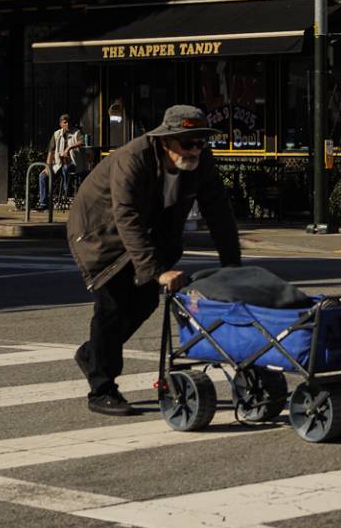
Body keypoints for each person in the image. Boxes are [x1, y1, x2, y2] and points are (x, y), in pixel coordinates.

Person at [67, 104, 241, 416]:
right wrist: (155, 271)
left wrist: (232, 265)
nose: (195, 150)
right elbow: (126, 216)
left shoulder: (200, 163)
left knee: (145, 301)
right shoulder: (132, 159)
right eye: (187, 143)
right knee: (113, 305)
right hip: (99, 232)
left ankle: (93, 354)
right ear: (165, 141)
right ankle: (102, 388)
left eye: (201, 142)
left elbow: (218, 210)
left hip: (150, 234)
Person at [37, 114, 78, 209]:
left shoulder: (76, 132)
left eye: (69, 122)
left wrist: (69, 148)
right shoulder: (56, 134)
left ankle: (66, 192)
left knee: (66, 168)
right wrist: (47, 167)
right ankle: (44, 203)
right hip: (58, 165)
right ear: (61, 124)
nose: (67, 124)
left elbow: (82, 141)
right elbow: (50, 152)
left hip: (71, 164)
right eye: (65, 122)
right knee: (42, 176)